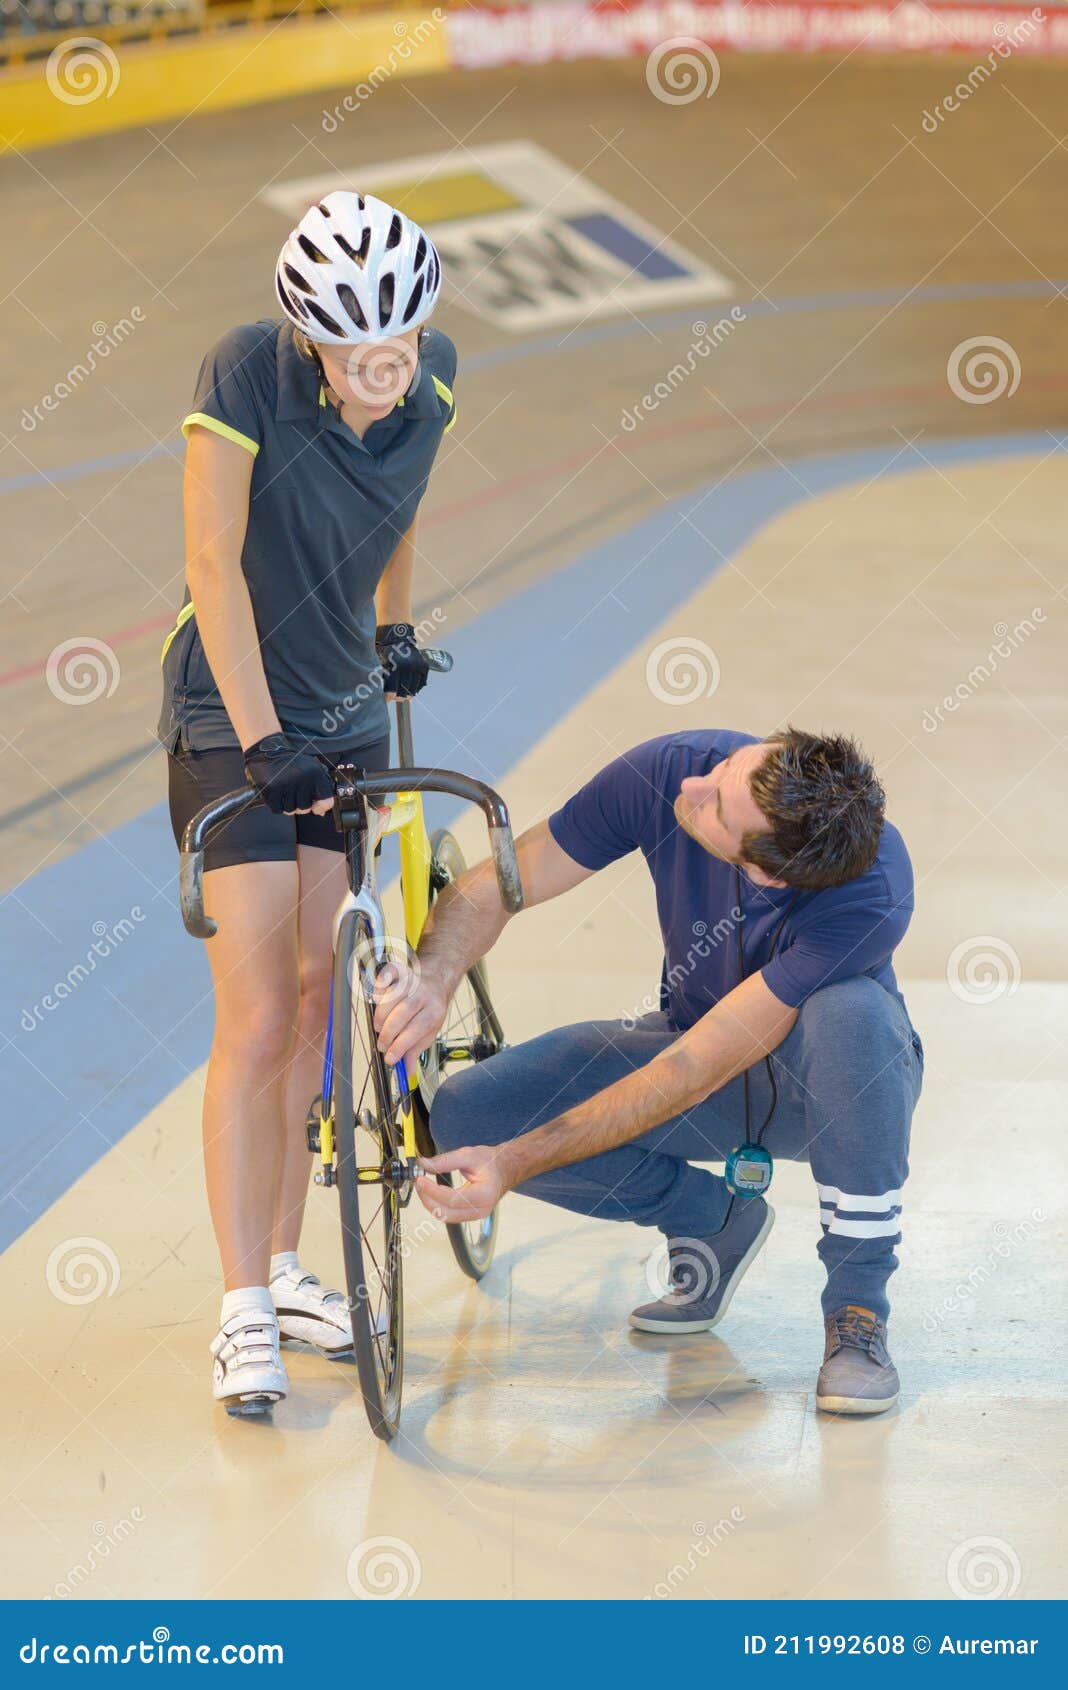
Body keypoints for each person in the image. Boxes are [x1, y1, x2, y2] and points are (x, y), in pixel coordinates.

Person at [374, 727, 924, 1416]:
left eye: (715, 808)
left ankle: (857, 1315)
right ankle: (714, 1219)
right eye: (724, 770)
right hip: (694, 1045)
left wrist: (515, 1163)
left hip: (823, 1091)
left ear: (765, 873)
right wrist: (433, 974)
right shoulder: (673, 770)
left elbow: (694, 1069)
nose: (694, 790)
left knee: (854, 1014)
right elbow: (504, 880)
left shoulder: (870, 889)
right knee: (466, 1115)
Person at [158, 191, 458, 1415]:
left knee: (321, 996)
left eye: (399, 348)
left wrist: (391, 625)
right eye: (357, 356)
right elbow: (210, 561)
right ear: (308, 341)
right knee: (260, 1015)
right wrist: (265, 736)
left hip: (335, 711)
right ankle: (240, 1311)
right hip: (231, 718)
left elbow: (401, 509)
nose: (384, 372)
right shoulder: (242, 372)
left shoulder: (433, 382)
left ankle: (286, 1269)